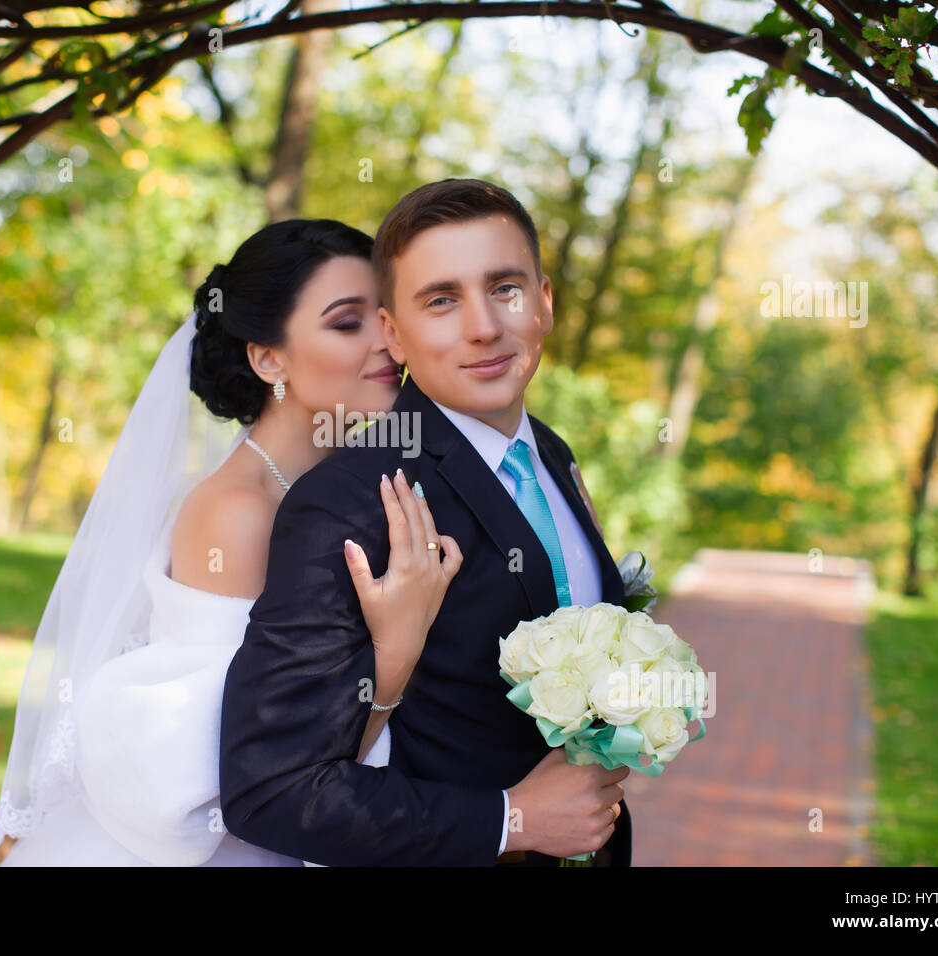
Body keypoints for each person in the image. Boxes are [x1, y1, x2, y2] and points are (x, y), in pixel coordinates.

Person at [0, 218, 461, 865]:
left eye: (388, 319)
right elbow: (251, 770)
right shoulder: (239, 515)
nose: (387, 346)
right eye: (347, 323)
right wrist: (396, 650)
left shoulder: (361, 490)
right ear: (269, 357)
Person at [219, 179, 632, 867]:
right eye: (442, 300)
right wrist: (512, 821)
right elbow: (272, 789)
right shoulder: (350, 503)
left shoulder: (551, 453)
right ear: (393, 333)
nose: (484, 327)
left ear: (546, 301)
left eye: (506, 288)